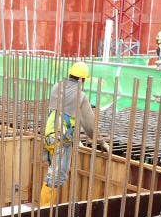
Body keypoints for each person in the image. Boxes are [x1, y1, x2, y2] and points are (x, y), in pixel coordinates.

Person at [41, 61, 110, 206]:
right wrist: (102, 142)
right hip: (61, 139)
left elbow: (65, 103)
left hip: (48, 134)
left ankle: (44, 210)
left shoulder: (57, 86)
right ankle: (45, 213)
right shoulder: (81, 95)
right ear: (82, 80)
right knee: (54, 178)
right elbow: (90, 126)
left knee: (51, 173)